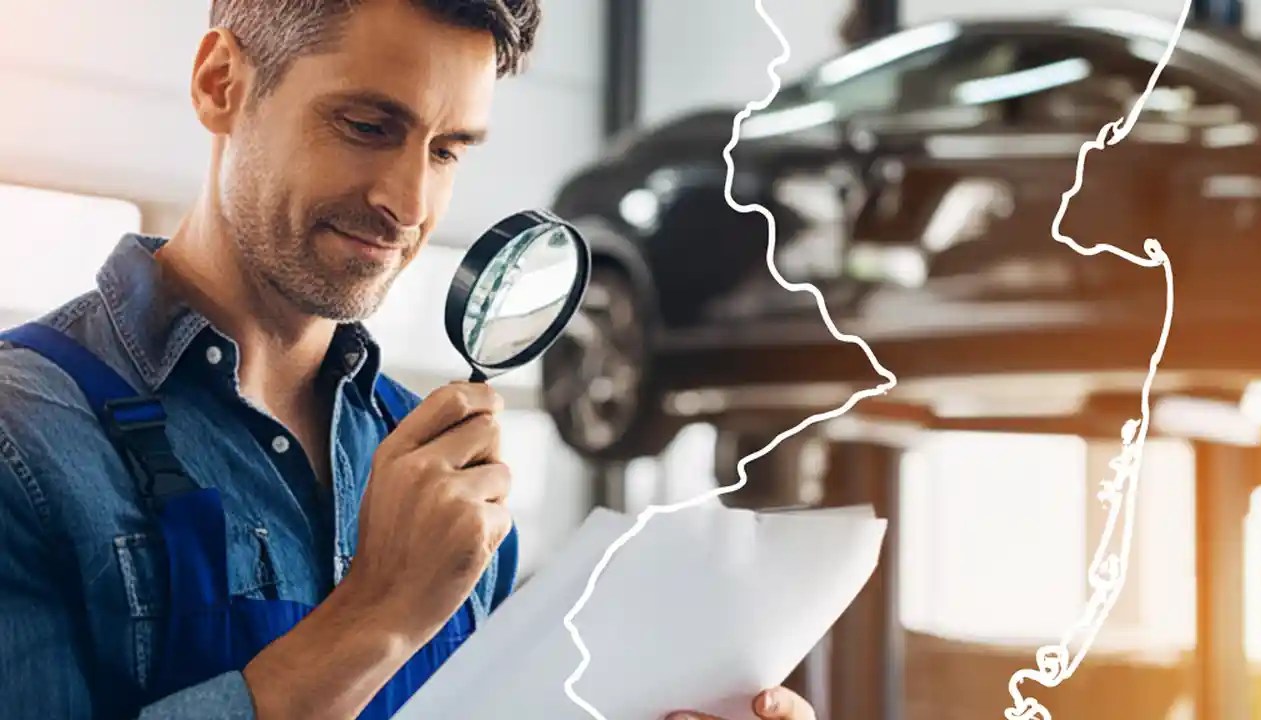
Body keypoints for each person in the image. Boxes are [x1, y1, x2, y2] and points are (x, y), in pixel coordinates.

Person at [0, 1, 817, 718]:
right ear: (222, 84)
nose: (410, 203)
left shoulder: (433, 464)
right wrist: (378, 613)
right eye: (367, 127)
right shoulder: (25, 436)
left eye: (448, 150)